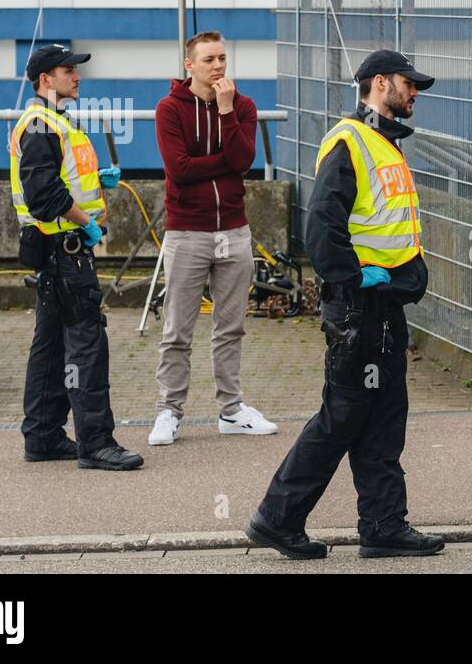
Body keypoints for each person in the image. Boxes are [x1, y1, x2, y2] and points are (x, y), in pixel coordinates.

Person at [246, 50, 444, 560]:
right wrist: (358, 278)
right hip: (359, 308)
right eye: (408, 83)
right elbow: (321, 228)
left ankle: (383, 525)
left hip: (383, 307)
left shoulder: (382, 144)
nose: (415, 91)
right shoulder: (350, 143)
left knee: (382, 417)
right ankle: (278, 517)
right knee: (343, 415)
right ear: (380, 84)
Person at [12, 44, 142, 471]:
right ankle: (97, 442)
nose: (77, 76)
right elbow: (44, 194)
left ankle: (44, 436)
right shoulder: (41, 125)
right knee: (86, 345)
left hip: (56, 257)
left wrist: (95, 180)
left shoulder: (55, 123)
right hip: (67, 254)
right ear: (45, 79)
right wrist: (85, 220)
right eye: (69, 70)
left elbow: (60, 178)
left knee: (50, 347)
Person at [148, 31, 276, 445]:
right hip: (187, 230)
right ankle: (168, 410)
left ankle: (232, 409)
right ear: (190, 65)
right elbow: (179, 169)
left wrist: (225, 113)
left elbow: (243, 162)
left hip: (235, 229)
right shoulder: (170, 109)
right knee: (177, 328)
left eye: (222, 58)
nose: (219, 66)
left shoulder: (242, 106)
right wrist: (223, 163)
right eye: (209, 60)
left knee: (230, 326)